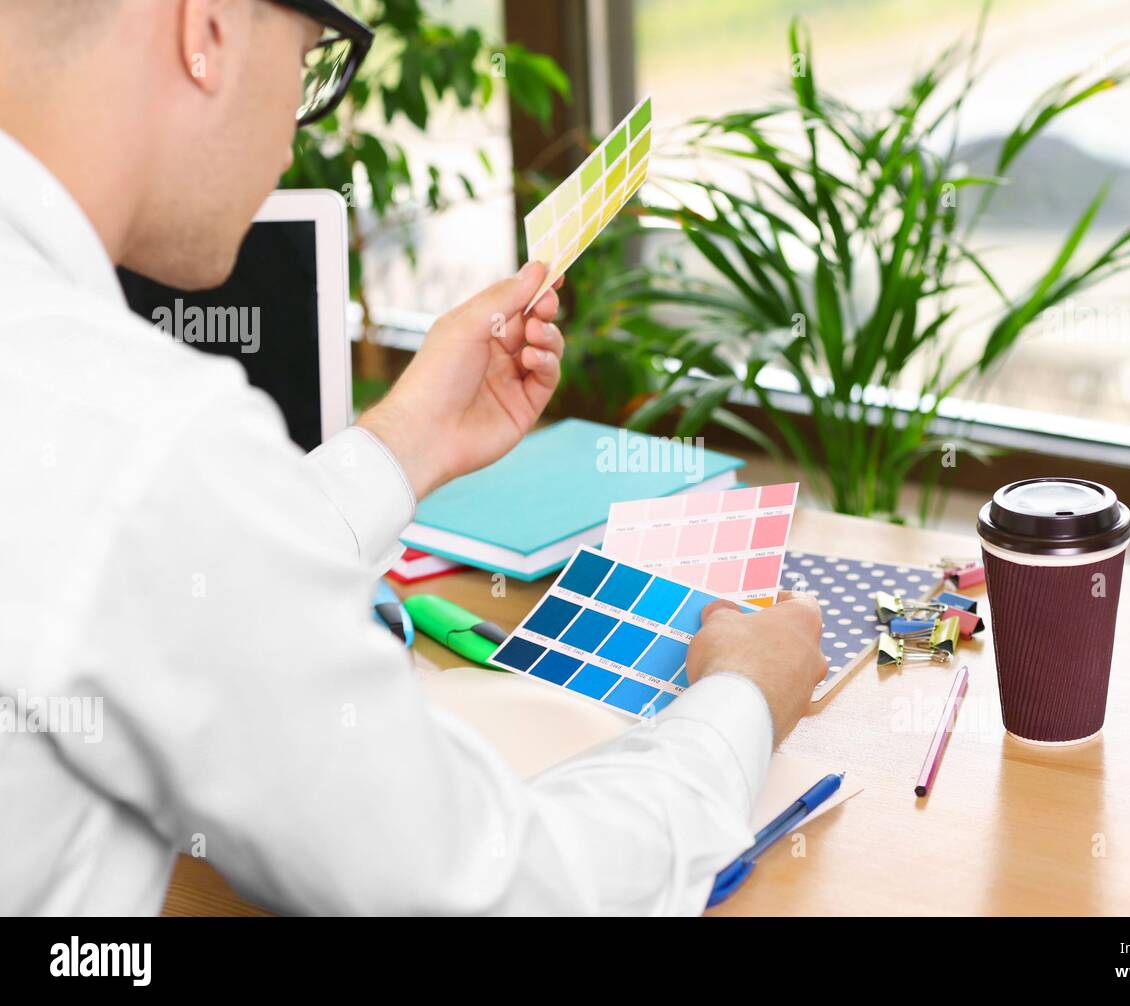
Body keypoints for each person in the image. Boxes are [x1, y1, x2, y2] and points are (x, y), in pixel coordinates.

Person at [0, 0, 825, 915]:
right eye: (315, 60)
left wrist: (408, 441)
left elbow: (154, 571)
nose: (290, 138)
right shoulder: (141, 438)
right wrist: (744, 698)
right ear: (210, 29)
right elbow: (503, 889)